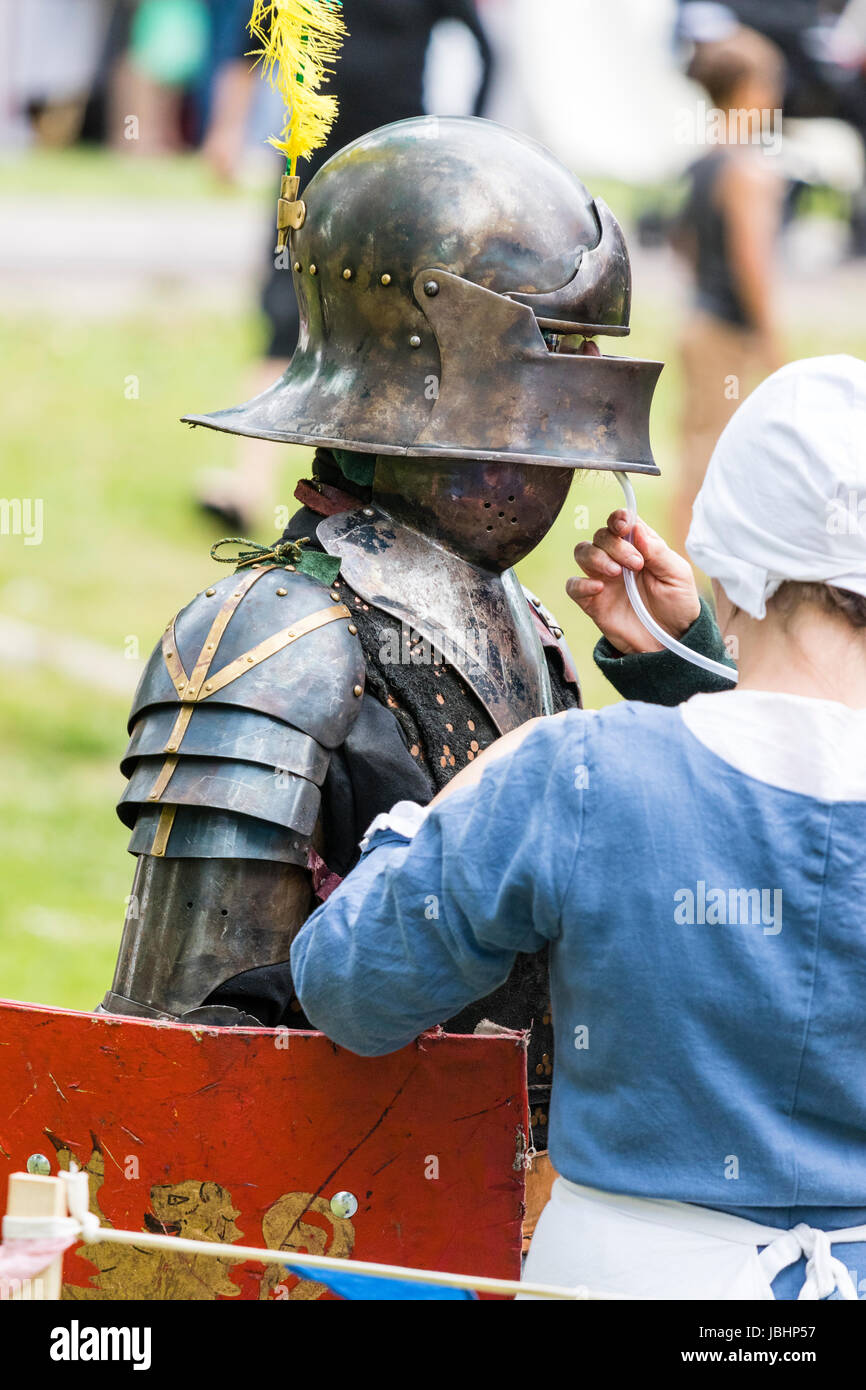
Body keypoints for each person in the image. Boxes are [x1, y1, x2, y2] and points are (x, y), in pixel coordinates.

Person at [102, 115, 679, 1243]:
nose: (563, 447)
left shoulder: (525, 621)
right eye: (544, 364)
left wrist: (673, 662)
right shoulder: (268, 643)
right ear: (427, 373)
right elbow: (180, 1058)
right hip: (327, 1229)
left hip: (502, 1217)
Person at [289, 355, 866, 1300]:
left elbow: (351, 992)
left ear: (728, 564)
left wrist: (434, 817)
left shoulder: (575, 776)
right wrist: (699, 674)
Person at [197, 0, 493, 530]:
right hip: (310, 156)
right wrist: (227, 128)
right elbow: (251, 37)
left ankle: (390, 490)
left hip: (398, 164)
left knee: (402, 321)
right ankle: (249, 484)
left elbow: (485, 49)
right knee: (284, 309)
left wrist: (463, 143)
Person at [673, 24, 787, 554]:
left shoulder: (703, 162)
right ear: (750, 91)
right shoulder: (749, 171)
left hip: (698, 320)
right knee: (711, 451)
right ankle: (685, 562)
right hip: (727, 330)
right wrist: (771, 342)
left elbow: (684, 244)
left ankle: (685, 554)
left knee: (697, 443)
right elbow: (753, 265)